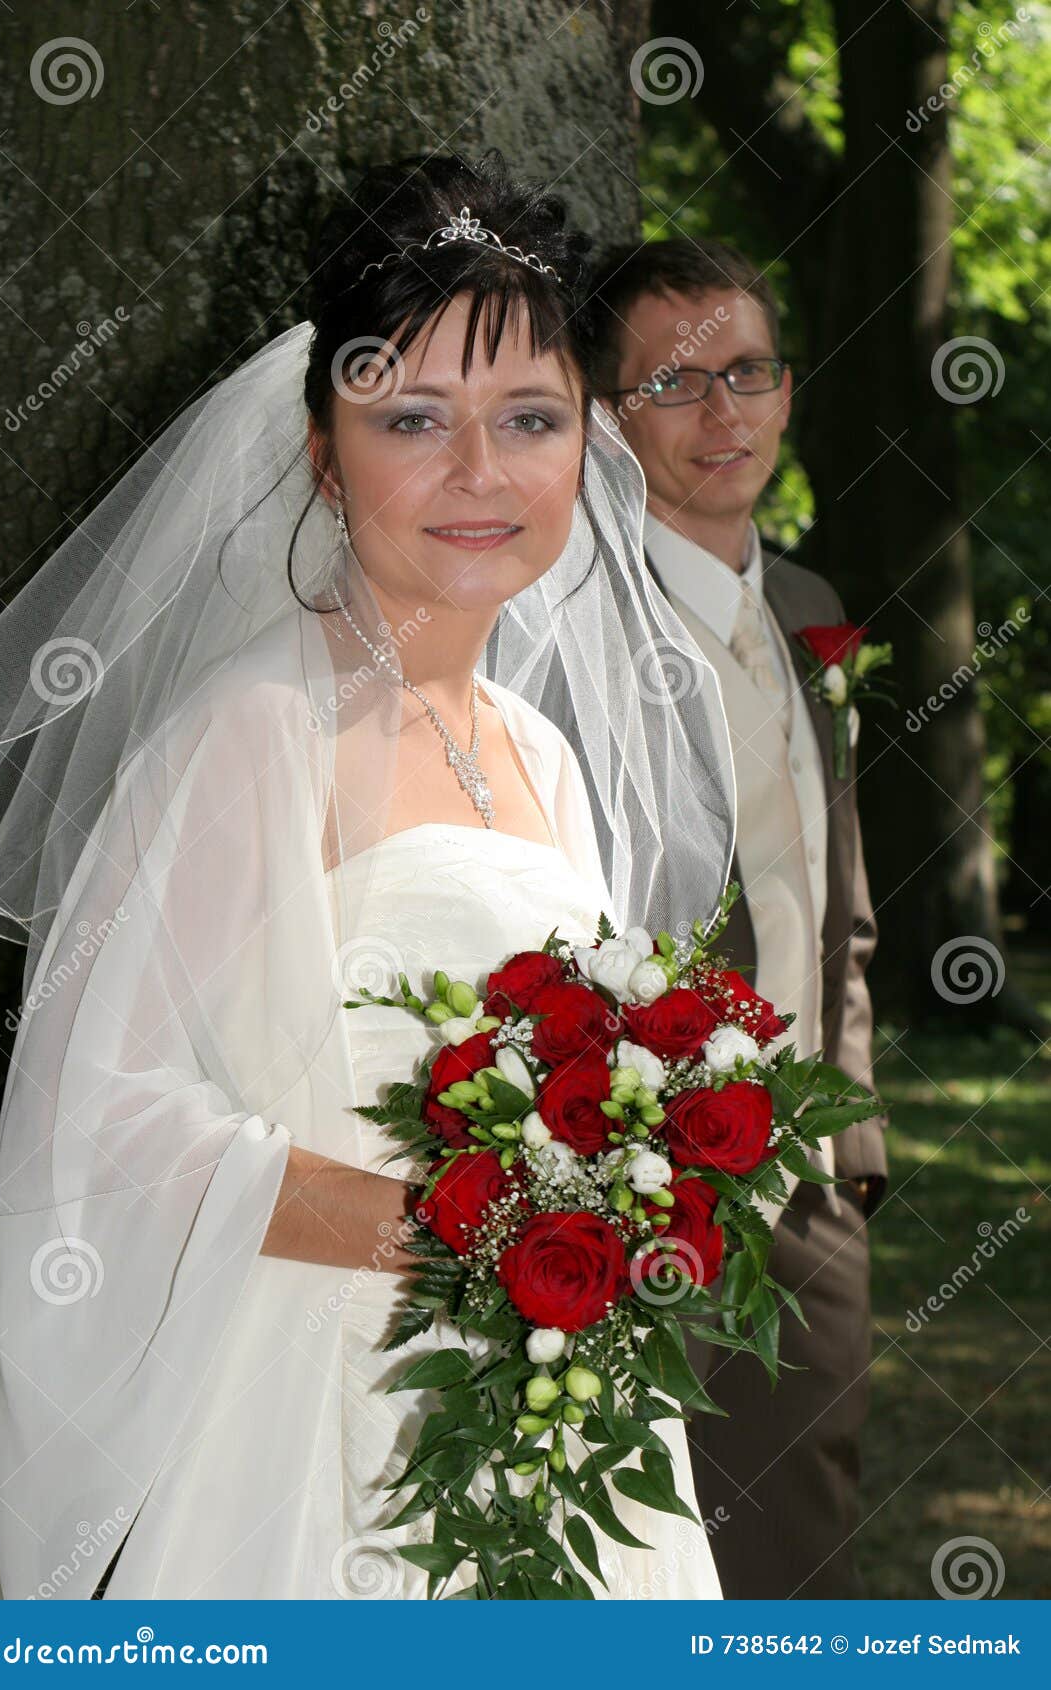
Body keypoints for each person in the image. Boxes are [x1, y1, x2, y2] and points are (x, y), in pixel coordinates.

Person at [0, 153, 737, 1600]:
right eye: (412, 419)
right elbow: (101, 1121)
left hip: (556, 1411)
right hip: (325, 1446)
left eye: (530, 418)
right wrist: (466, 1231)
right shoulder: (254, 730)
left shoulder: (542, 756)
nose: (481, 473)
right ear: (325, 456)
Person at [584, 237, 888, 1598]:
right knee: (632, 1558)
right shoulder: (571, 624)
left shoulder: (815, 609)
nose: (724, 411)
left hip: (810, 1187)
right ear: (610, 416)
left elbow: (839, 910)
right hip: (628, 1183)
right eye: (675, 382)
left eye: (749, 371)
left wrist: (853, 1143)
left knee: (796, 1557)